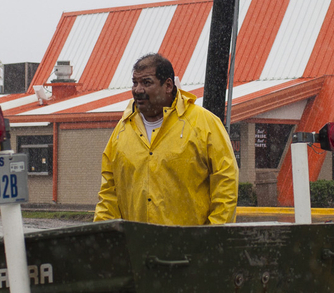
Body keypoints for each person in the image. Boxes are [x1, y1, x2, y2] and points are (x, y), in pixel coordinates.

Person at [94, 53, 238, 226]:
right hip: (137, 247)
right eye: (135, 82)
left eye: (146, 82)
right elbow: (109, 192)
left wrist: (209, 238)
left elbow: (226, 183)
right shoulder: (122, 130)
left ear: (168, 85)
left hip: (190, 248)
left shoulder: (204, 124)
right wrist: (104, 238)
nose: (138, 90)